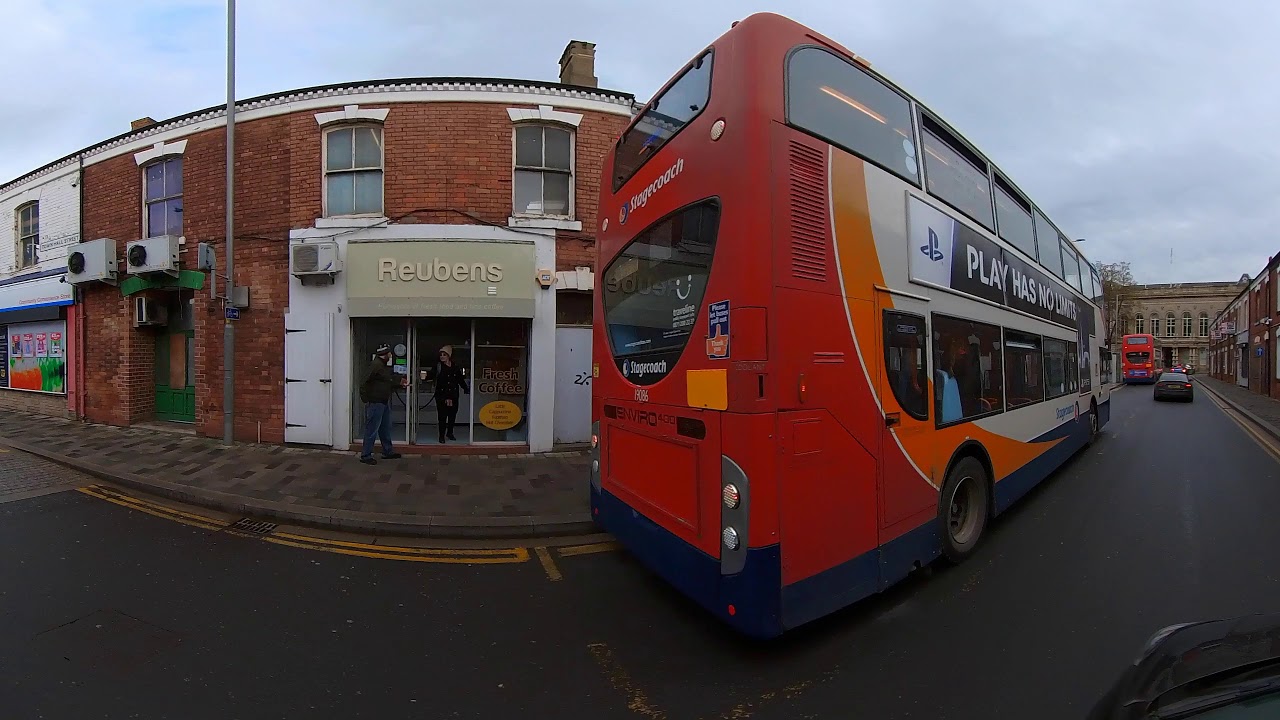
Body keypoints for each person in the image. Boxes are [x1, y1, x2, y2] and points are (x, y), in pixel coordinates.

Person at [358, 344, 405, 464]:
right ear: (385, 355)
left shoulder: (381, 366)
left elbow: (386, 381)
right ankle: (366, 455)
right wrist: (366, 399)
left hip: (383, 402)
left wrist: (400, 383)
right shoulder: (375, 366)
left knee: (385, 428)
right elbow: (363, 382)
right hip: (376, 402)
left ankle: (388, 451)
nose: (390, 355)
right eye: (389, 353)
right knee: (372, 429)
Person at [432, 345, 469, 443]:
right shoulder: (438, 366)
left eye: (444, 355)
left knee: (452, 415)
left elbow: (460, 379)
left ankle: (450, 432)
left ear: (449, 356)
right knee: (442, 416)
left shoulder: (455, 367)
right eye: (441, 355)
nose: (442, 357)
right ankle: (441, 436)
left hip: (453, 395)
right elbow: (431, 375)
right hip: (441, 395)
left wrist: (465, 388)